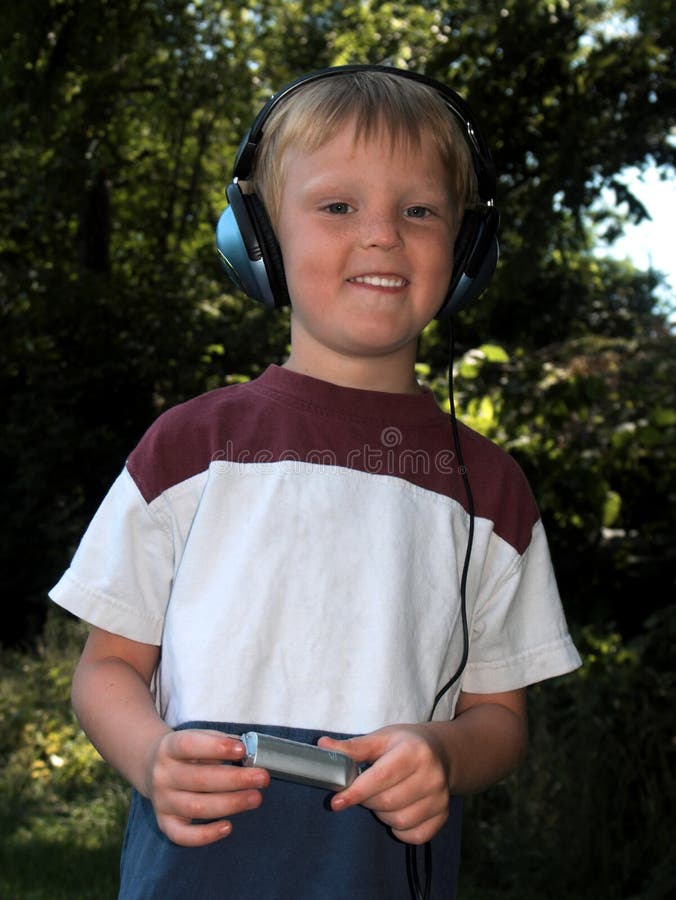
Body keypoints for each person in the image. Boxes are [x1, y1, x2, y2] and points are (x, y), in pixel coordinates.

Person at [50, 65, 581, 899]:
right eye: (338, 207)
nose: (381, 235)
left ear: (467, 251)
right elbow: (105, 669)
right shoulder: (191, 447)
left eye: (420, 210)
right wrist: (151, 757)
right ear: (256, 241)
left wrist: (443, 752)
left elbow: (500, 721)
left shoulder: (490, 490)